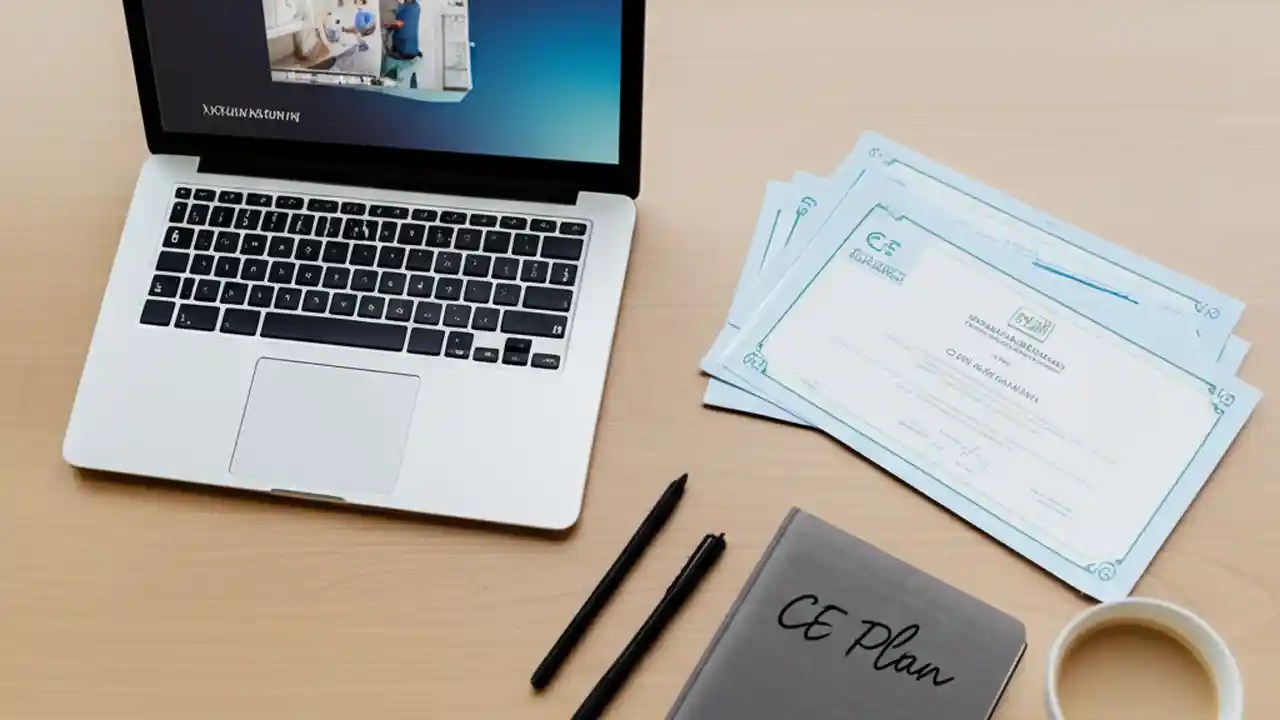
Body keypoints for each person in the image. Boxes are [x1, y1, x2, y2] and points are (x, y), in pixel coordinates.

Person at [381, 0, 422, 84]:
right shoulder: (416, 7)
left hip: (400, 51)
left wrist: (390, 23)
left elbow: (397, 23)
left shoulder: (406, 8)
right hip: (411, 51)